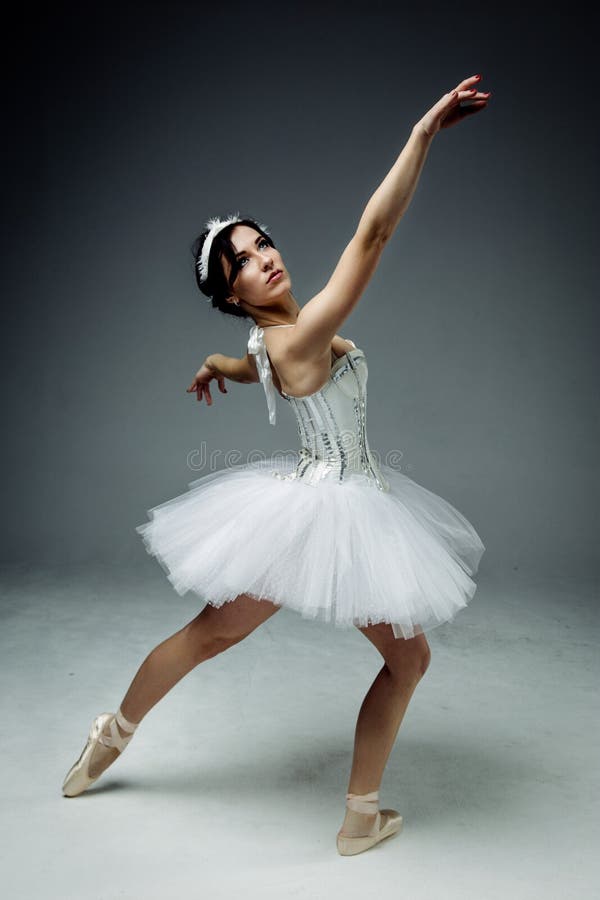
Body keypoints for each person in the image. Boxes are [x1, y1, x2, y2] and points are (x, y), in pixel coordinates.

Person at [62, 74, 491, 856]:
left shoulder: (269, 338)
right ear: (231, 294)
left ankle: (110, 734)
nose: (264, 260)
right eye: (243, 263)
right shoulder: (295, 336)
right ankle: (358, 816)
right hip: (333, 511)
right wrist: (423, 132)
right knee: (400, 656)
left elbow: (246, 364)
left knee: (214, 637)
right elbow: (372, 236)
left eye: (263, 245)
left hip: (312, 507)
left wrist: (209, 365)